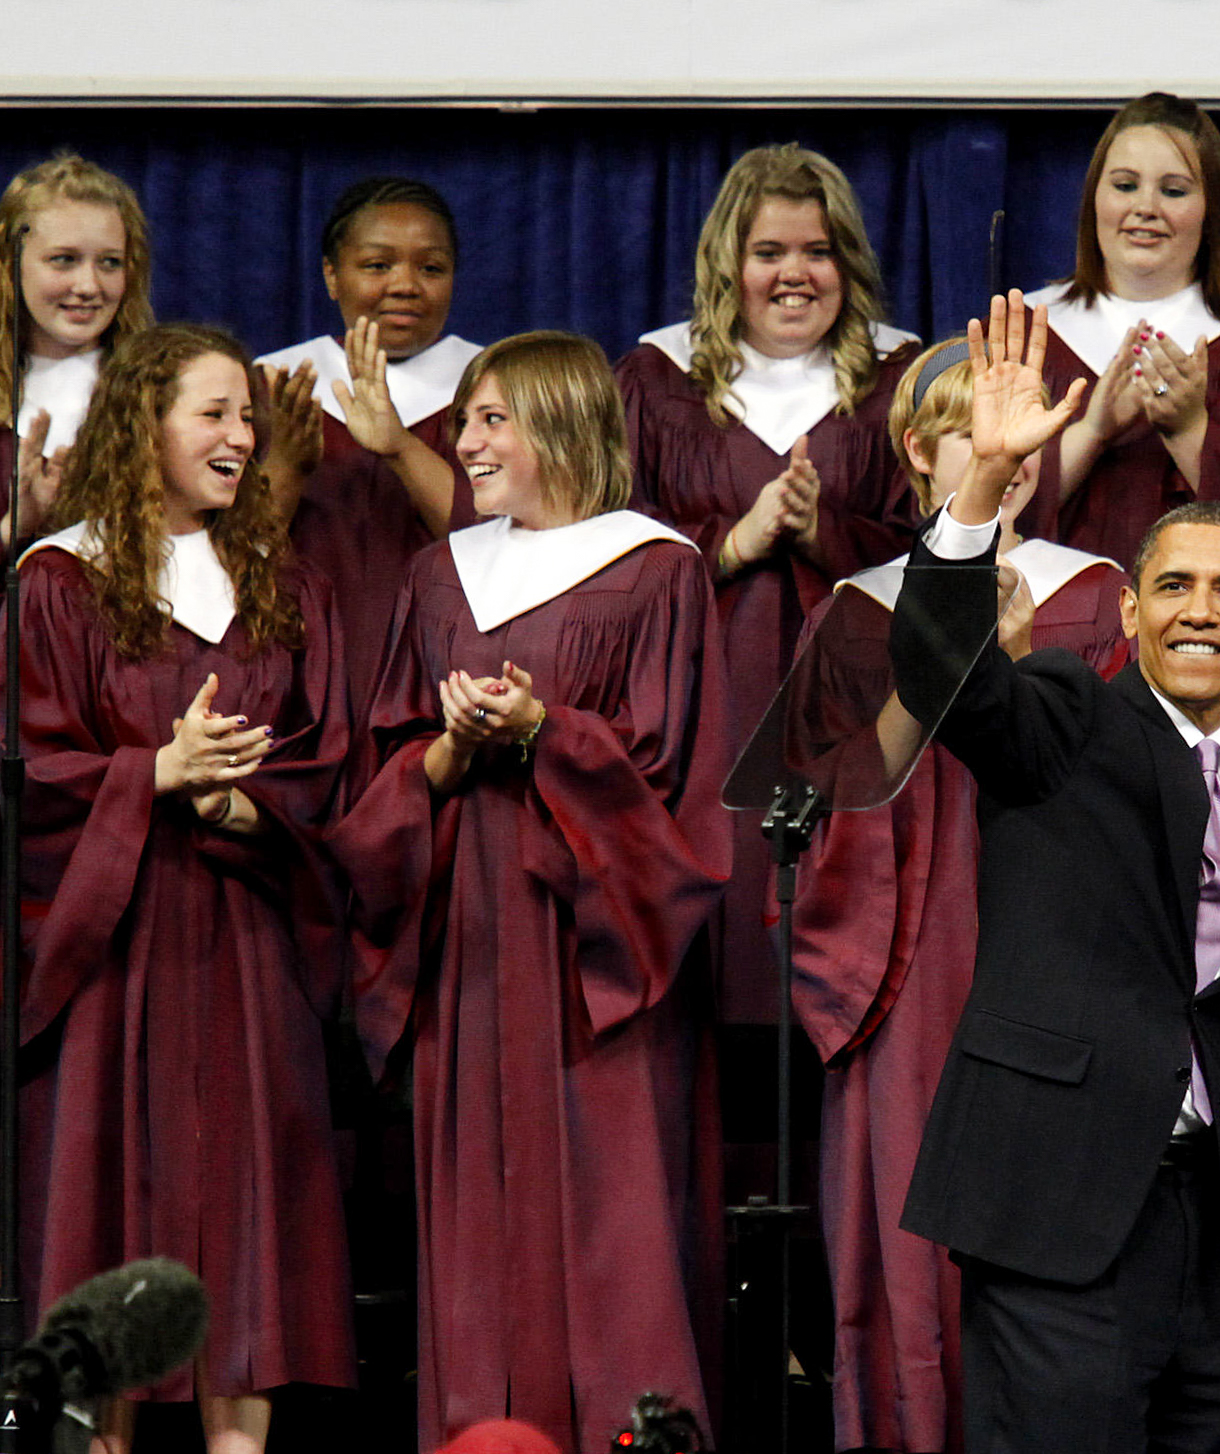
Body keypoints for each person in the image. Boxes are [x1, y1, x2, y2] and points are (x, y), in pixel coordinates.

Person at [892, 292, 1220, 1453]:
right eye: (1174, 586)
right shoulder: (1065, 717)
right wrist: (984, 484)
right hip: (1057, 1216)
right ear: (1129, 609)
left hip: (1209, 1244)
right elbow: (945, 676)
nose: (1200, 612)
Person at [332, 331, 733, 1454]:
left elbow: (674, 777)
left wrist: (547, 730)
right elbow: (390, 762)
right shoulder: (440, 575)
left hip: (594, 942)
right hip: (470, 928)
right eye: (466, 419)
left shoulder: (657, 569)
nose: (464, 442)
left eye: (491, 419)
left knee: (613, 1205)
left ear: (560, 424)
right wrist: (454, 749)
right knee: (479, 1204)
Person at [18, 323, 353, 1454]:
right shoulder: (59, 581)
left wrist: (242, 807)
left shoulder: (282, 584)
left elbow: (328, 759)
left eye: (247, 416)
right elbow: (25, 770)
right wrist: (153, 772)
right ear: (141, 427)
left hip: (247, 936)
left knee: (247, 1201)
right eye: (213, 414)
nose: (242, 436)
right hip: (112, 942)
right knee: (113, 1194)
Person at [794, 336, 1129, 1454]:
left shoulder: (1101, 594)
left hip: (1051, 930)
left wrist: (1024, 677)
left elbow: (1117, 784)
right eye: (975, 431)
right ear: (915, 449)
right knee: (908, 1224)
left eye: (1028, 432)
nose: (1010, 453)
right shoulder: (856, 607)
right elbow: (826, 799)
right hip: (906, 942)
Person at [618, 141, 919, 1023]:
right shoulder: (658, 380)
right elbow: (608, 553)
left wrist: (825, 532)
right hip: (707, 712)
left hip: (856, 715)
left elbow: (938, 548)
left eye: (818, 251)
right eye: (769, 252)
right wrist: (730, 542)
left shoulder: (897, 380)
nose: (795, 274)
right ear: (729, 265)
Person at [1025, 92, 1220, 564]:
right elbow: (978, 505)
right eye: (1125, 185)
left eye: (1174, 191)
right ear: (1094, 197)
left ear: (1211, 209)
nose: (1146, 207)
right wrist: (1091, 433)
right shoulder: (1029, 330)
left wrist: (1193, 431)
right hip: (1045, 605)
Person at [256, 176, 481, 710]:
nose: (405, 285)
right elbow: (235, 553)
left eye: (431, 268)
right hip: (295, 666)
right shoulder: (273, 386)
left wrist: (399, 445)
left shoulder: (493, 389)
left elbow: (496, 542)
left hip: (443, 671)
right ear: (332, 275)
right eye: (377, 265)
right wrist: (286, 462)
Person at [0, 152, 153, 544]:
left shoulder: (160, 392)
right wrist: (14, 529)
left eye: (110, 263)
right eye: (64, 260)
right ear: (10, 264)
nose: (88, 286)